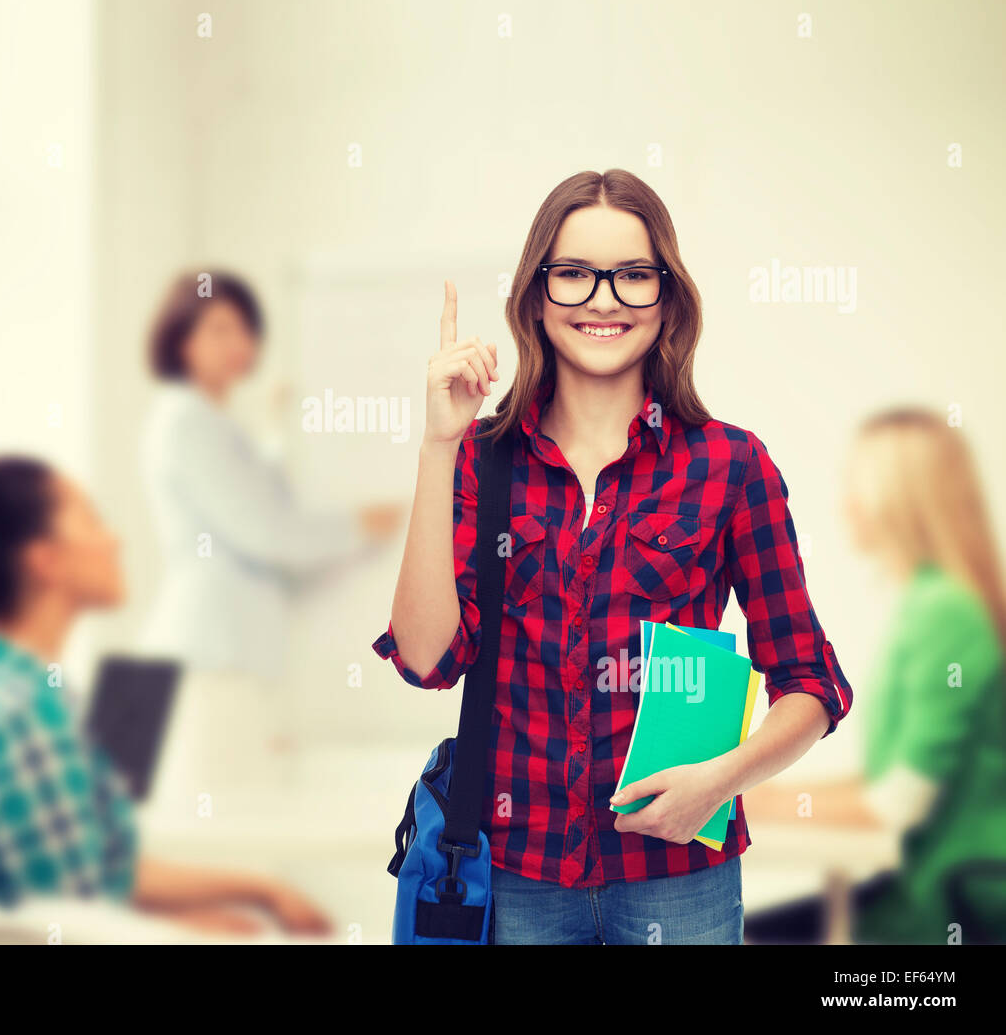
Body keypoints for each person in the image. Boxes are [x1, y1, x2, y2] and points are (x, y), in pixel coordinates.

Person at [372, 169, 854, 945]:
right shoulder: (484, 461)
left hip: (680, 882)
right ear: (537, 295)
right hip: (518, 878)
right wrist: (439, 442)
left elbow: (812, 683)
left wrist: (719, 783)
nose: (604, 299)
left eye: (633, 275)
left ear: (668, 300)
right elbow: (427, 659)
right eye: (575, 274)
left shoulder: (732, 465)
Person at [0, 454, 330, 936]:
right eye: (91, 520)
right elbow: (70, 925)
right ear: (45, 560)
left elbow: (100, 876)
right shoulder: (22, 714)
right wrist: (197, 931)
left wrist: (258, 889)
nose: (114, 539)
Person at [742, 408, 1006, 944]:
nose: (846, 505)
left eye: (859, 487)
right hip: (922, 890)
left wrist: (733, 798)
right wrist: (747, 793)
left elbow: (896, 804)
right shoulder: (930, 603)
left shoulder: (945, 613)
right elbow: (888, 779)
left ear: (902, 501)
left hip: (949, 901)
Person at [139, 269, 399, 799]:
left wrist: (281, 432)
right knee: (220, 834)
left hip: (222, 658)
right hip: (208, 659)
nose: (239, 342)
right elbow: (266, 530)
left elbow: (261, 501)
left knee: (231, 826)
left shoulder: (214, 422)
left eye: (244, 329)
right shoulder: (185, 421)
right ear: (180, 337)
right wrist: (360, 526)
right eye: (219, 329)